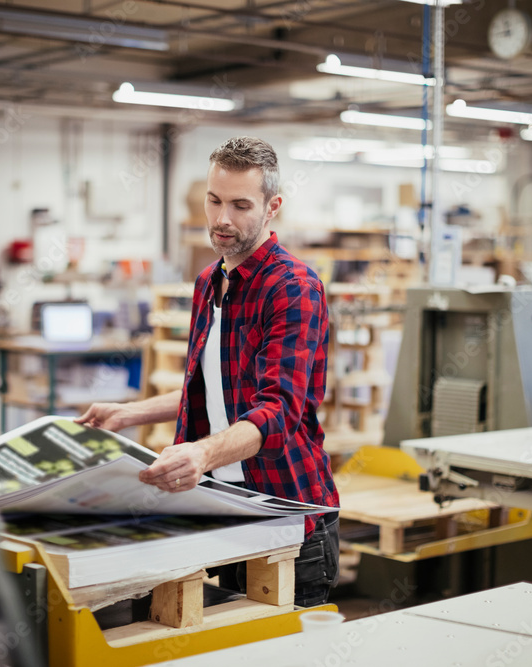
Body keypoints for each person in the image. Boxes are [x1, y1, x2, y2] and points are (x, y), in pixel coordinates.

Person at [77, 136, 339, 607]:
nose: (222, 219)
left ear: (272, 206)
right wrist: (130, 412)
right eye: (214, 201)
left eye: (241, 205)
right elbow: (211, 386)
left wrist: (200, 455)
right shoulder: (209, 282)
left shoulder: (294, 288)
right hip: (224, 509)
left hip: (287, 519)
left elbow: (276, 413)